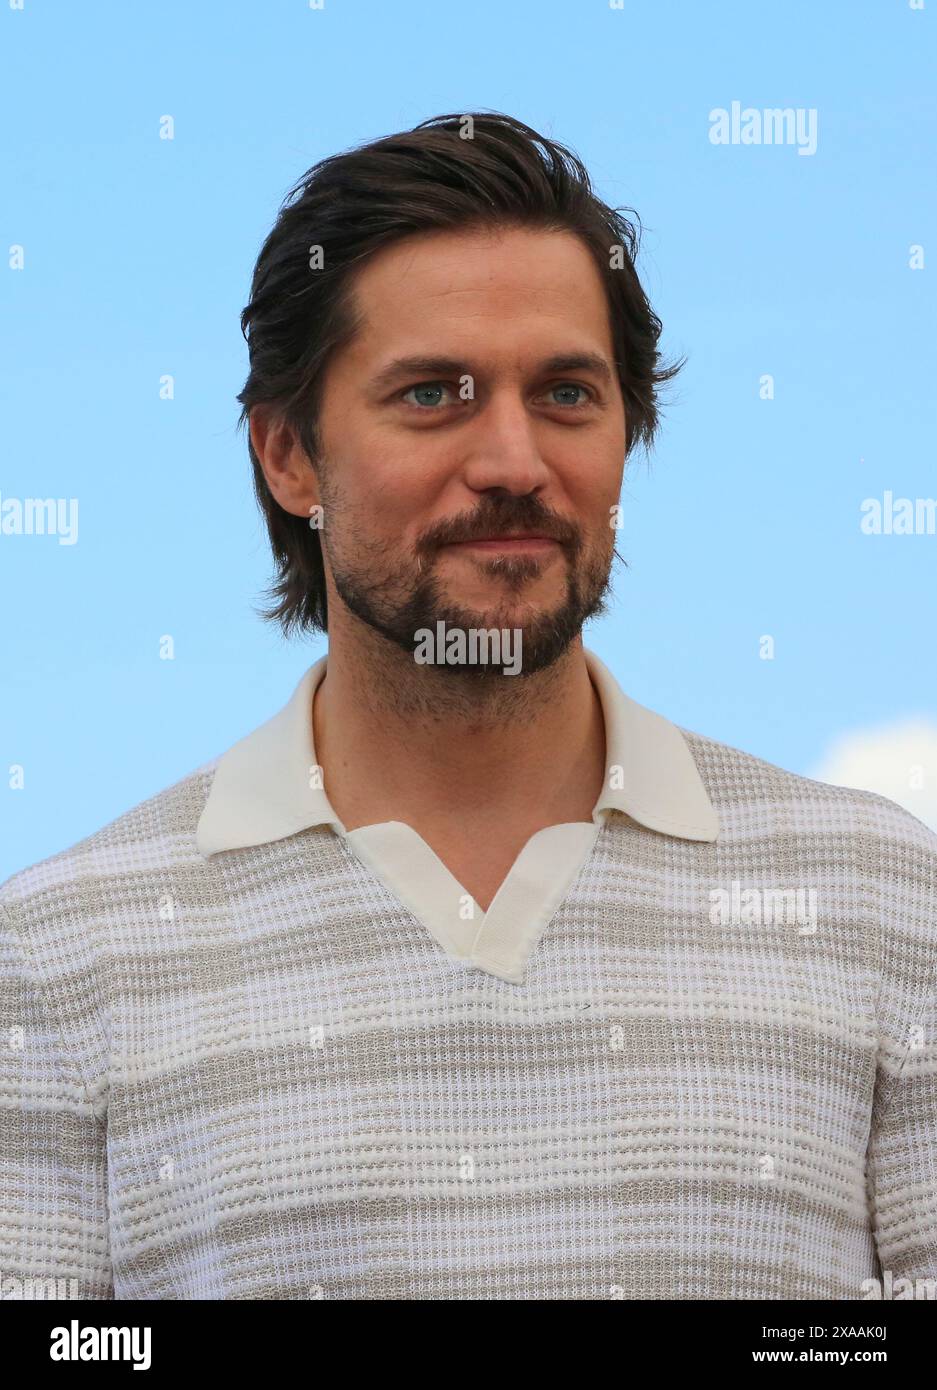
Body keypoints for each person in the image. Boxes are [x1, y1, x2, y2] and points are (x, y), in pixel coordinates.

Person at [1, 113, 934, 1301]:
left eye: (564, 392)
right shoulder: (57, 959)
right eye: (433, 393)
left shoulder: (880, 901)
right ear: (289, 457)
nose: (511, 458)